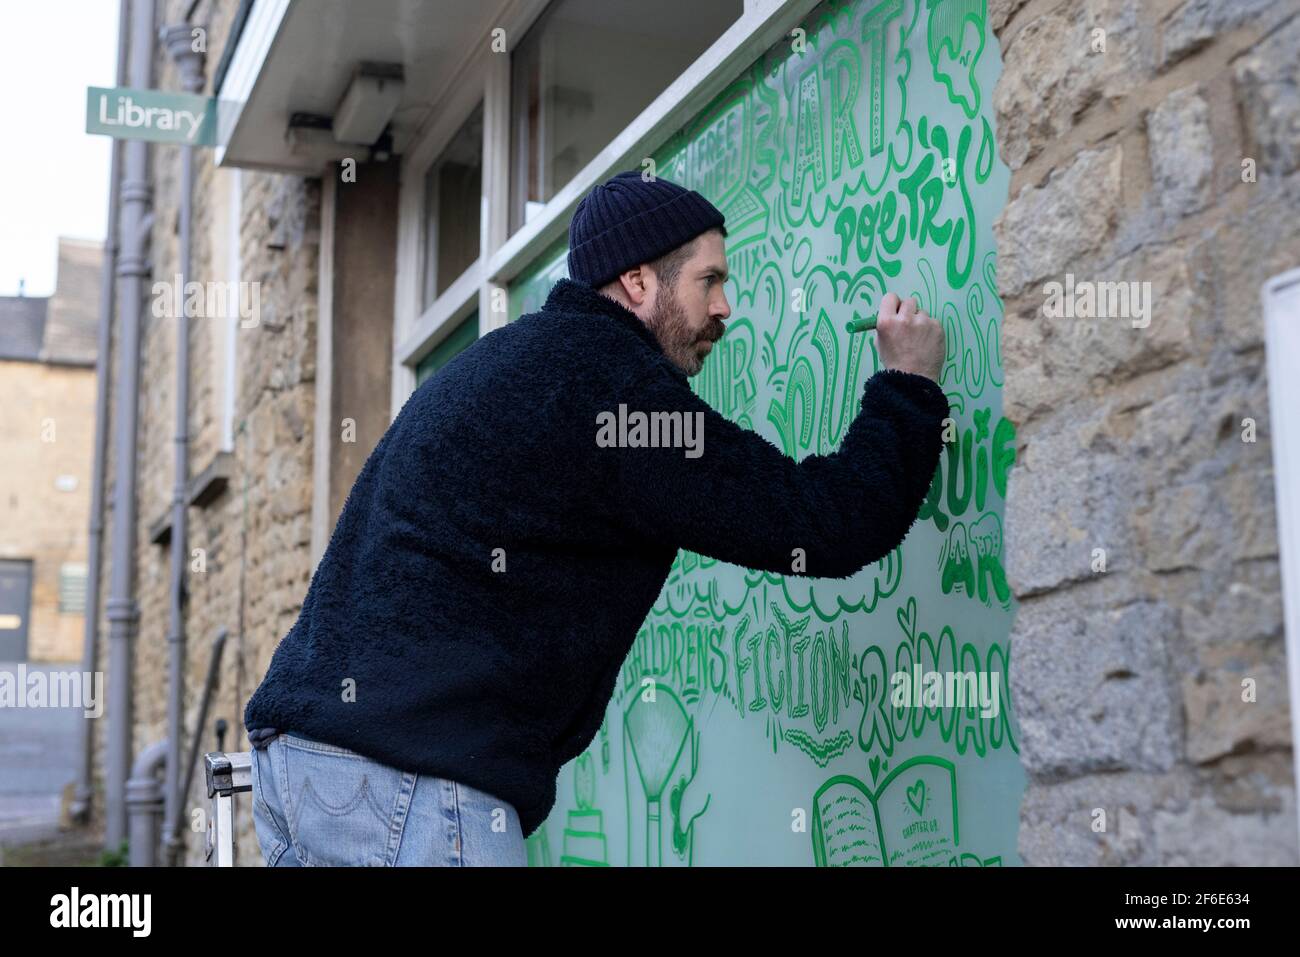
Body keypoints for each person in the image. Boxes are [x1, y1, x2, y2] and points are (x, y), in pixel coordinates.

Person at [244, 170, 948, 866]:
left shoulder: (505, 360)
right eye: (709, 281)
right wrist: (908, 389)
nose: (725, 307)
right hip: (408, 781)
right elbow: (823, 523)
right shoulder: (615, 393)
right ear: (639, 282)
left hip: (301, 767)